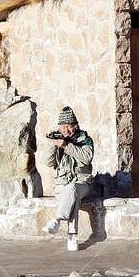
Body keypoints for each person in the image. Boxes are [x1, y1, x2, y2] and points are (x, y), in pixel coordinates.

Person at [42, 106, 95, 252]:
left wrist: (66, 145)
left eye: (69, 126)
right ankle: (72, 237)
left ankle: (57, 220)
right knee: (73, 197)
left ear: (75, 126)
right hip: (62, 184)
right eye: (63, 127)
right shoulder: (58, 139)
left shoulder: (86, 140)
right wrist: (54, 145)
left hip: (82, 183)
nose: (66, 130)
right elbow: (48, 163)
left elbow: (87, 158)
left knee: (73, 188)